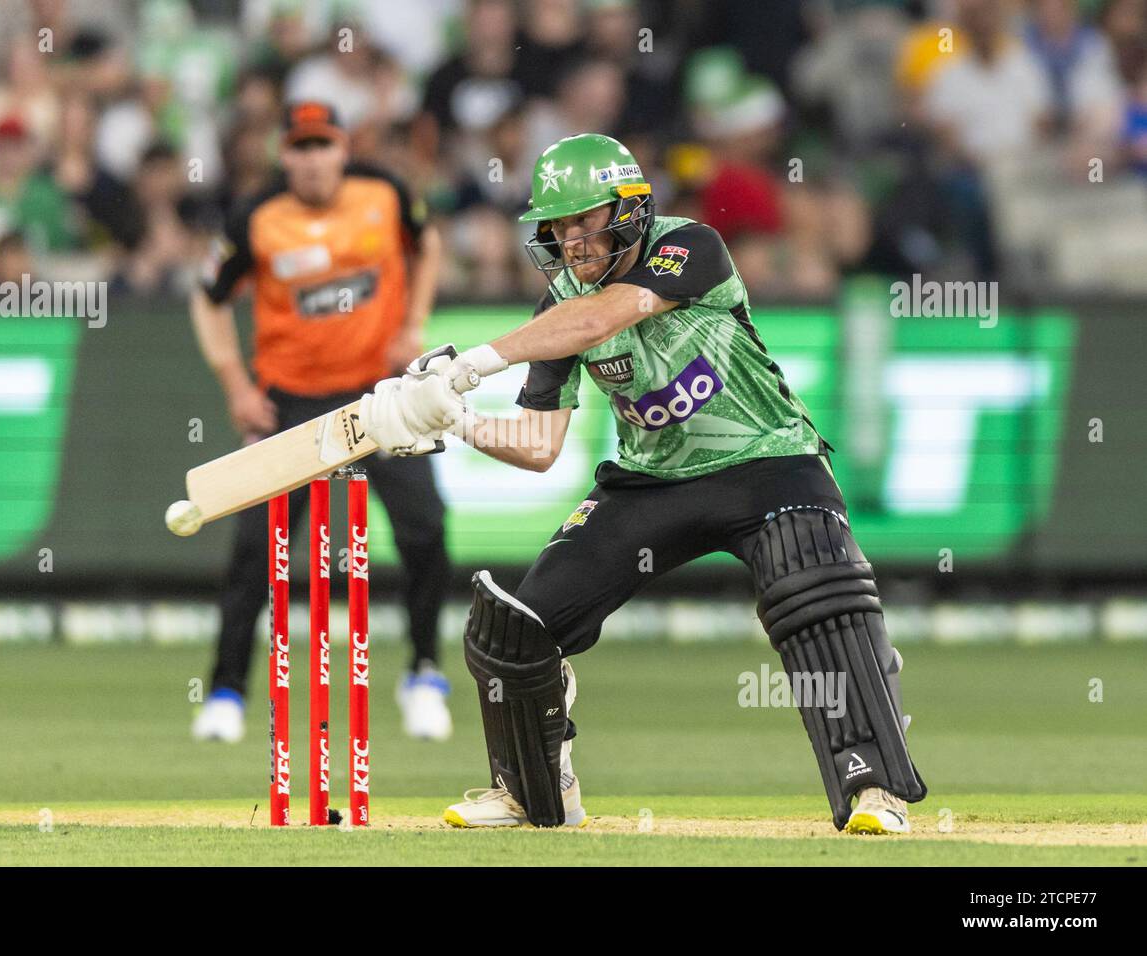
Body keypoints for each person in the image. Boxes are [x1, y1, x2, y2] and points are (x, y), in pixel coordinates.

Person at [359, 133, 926, 834]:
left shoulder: (690, 246)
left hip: (767, 461)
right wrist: (456, 421)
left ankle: (874, 789)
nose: (571, 240)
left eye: (584, 219)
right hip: (652, 480)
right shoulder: (558, 309)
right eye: (558, 226)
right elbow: (539, 445)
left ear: (628, 208)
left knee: (813, 594)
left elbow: (605, 316)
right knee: (518, 629)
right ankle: (535, 793)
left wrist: (470, 364)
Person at [191, 101, 452, 744]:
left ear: (343, 148)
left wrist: (414, 325)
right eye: (301, 148)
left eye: (324, 146)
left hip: (379, 397)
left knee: (424, 531)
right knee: (258, 550)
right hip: (292, 403)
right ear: (285, 154)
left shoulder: (384, 191)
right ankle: (225, 692)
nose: (313, 161)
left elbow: (429, 246)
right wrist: (236, 387)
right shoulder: (256, 216)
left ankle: (422, 675)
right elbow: (209, 298)